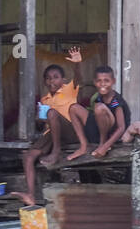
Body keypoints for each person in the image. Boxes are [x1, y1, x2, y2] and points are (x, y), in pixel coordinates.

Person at [19, 48, 91, 204]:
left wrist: (77, 64)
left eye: (56, 78)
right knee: (28, 156)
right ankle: (30, 195)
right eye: (48, 78)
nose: (52, 81)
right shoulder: (45, 99)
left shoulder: (69, 90)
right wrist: (39, 118)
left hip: (72, 131)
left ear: (63, 80)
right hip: (53, 133)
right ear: (44, 81)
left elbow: (79, 79)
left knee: (52, 113)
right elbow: (43, 125)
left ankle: (56, 152)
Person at [89, 66, 132, 158]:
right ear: (94, 82)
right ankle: (97, 143)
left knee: (99, 108)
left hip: (118, 135)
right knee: (77, 109)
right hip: (106, 131)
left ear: (113, 81)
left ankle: (103, 143)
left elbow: (121, 127)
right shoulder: (98, 98)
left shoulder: (116, 100)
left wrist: (105, 147)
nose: (102, 84)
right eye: (99, 81)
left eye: (106, 81)